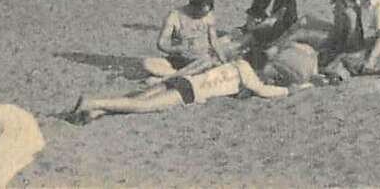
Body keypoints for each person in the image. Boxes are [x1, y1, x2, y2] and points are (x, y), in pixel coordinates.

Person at [70, 47, 314, 123]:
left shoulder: (234, 64)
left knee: (140, 98)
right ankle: (94, 102)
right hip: (189, 91)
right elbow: (263, 90)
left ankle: (96, 111)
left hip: (183, 80)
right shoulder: (247, 72)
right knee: (142, 106)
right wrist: (290, 90)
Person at [143, 0, 224, 81]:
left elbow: (214, 41)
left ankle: (170, 77)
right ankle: (187, 75)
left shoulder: (208, 16)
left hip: (201, 60)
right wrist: (177, 50)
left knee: (208, 62)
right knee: (147, 63)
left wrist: (222, 59)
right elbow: (161, 43)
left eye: (206, 13)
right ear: (193, 6)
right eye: (201, 13)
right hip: (179, 59)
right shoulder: (175, 16)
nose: (203, 16)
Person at [319, 0, 363, 69]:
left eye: (337, 3)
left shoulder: (350, 15)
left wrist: (335, 50)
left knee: (330, 62)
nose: (335, 7)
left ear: (345, 2)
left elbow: (350, 38)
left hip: (351, 51)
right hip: (346, 47)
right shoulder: (349, 12)